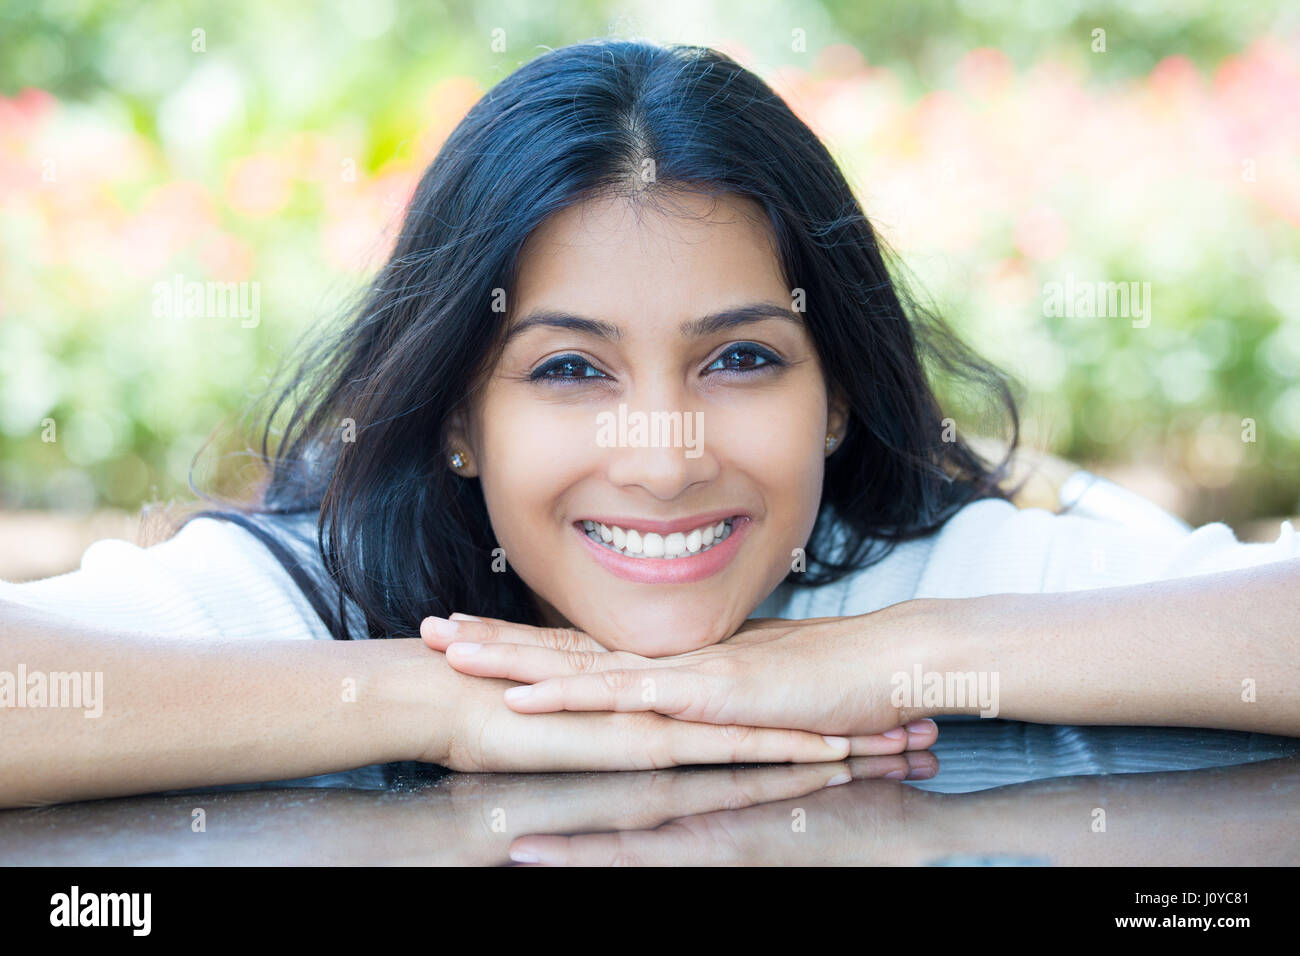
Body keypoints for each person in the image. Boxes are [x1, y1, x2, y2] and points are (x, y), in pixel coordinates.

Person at [2, 40, 1296, 809]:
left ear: (835, 390)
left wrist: (899, 652)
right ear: (458, 415)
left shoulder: (914, 568)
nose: (668, 456)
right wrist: (430, 701)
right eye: (569, 371)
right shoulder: (324, 594)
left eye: (741, 357)